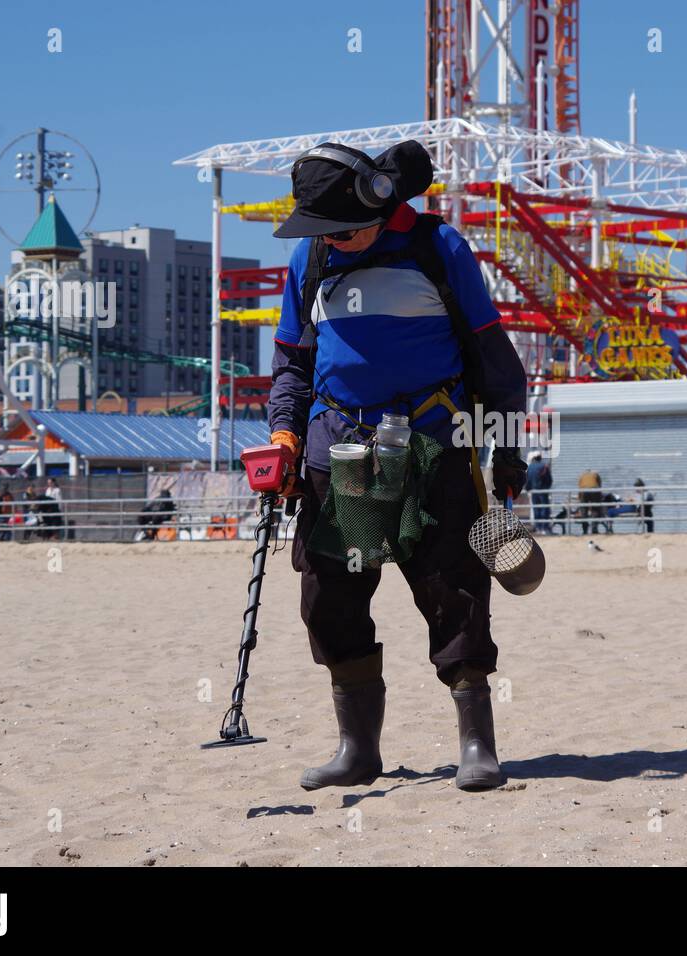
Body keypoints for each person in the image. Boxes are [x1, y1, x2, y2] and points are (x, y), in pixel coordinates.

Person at [266, 140, 527, 792]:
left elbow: (498, 364)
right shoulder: (313, 256)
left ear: (380, 207)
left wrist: (509, 451)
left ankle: (477, 745)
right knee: (329, 598)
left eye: (343, 228)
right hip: (339, 456)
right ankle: (358, 749)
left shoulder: (439, 248)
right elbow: (293, 366)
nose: (335, 239)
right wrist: (284, 436)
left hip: (433, 448)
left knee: (453, 592)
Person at [523, 450, 552, 533]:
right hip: (543, 491)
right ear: (540, 458)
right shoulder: (544, 466)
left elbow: (527, 480)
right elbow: (549, 480)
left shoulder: (530, 467)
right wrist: (546, 488)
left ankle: (538, 527)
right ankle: (544, 527)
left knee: (536, 509)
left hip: (533, 491)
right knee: (544, 508)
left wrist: (528, 489)